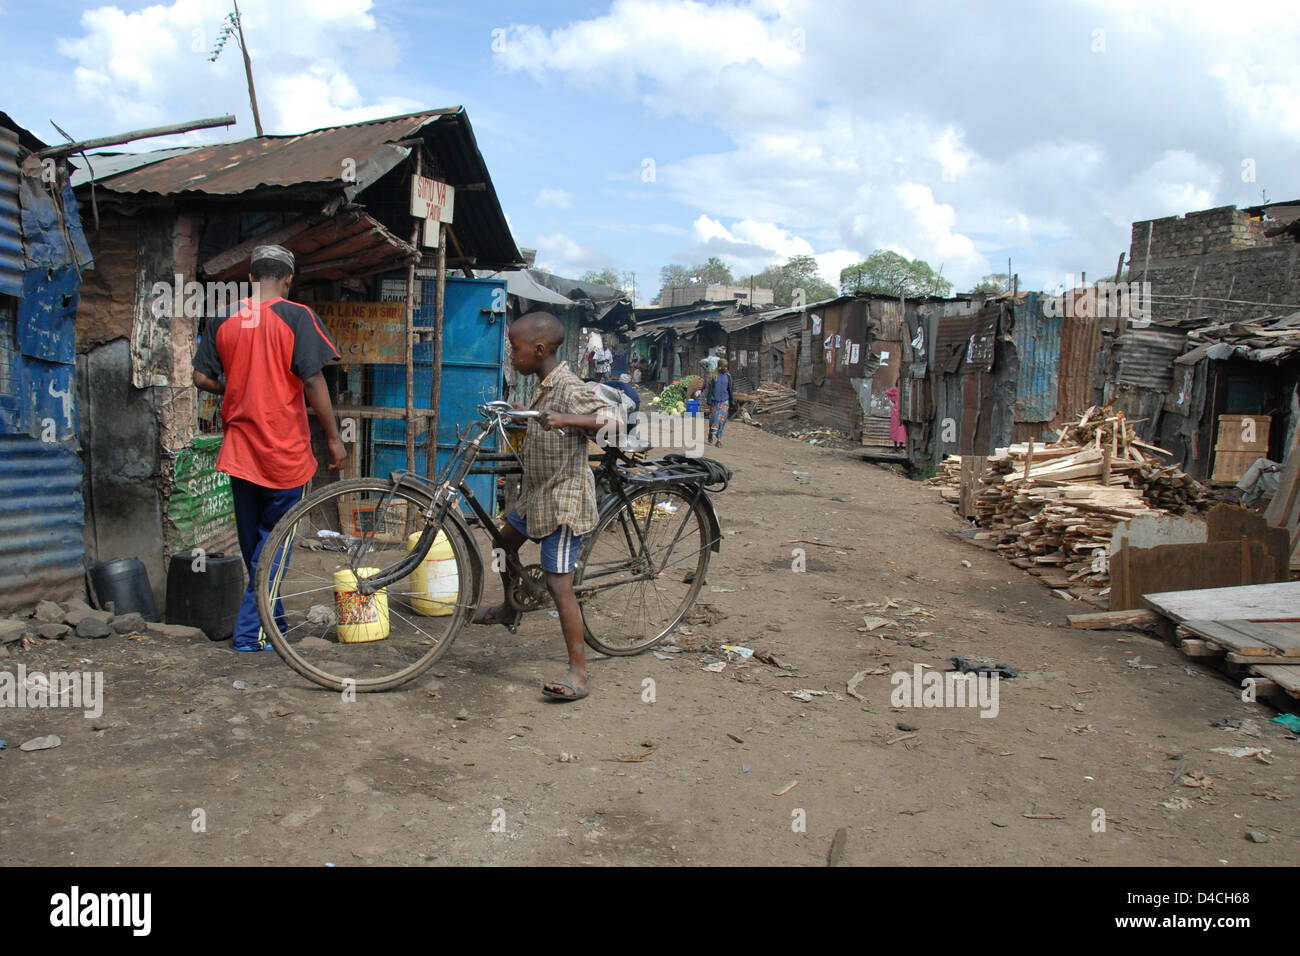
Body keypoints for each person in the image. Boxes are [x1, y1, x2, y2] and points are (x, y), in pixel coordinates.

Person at [192, 244, 346, 652]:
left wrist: (235, 384)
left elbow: (200, 377)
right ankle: (250, 635)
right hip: (284, 455)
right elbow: (314, 382)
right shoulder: (296, 316)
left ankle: (271, 621)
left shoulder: (222, 317)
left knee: (256, 547)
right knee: (273, 551)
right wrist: (333, 438)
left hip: (240, 454)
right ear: (288, 281)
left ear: (250, 278)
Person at [473, 311, 613, 701]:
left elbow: (611, 420)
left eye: (513, 348)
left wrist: (567, 418)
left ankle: (578, 674)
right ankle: (509, 607)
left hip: (564, 499)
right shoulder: (543, 384)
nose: (510, 354)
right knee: (503, 544)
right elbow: (543, 419)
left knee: (558, 584)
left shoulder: (567, 386)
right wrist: (523, 415)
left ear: (537, 350)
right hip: (538, 492)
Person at [708, 358, 732, 447]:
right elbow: (710, 389)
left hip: (725, 401)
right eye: (724, 366)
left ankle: (718, 440)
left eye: (726, 366)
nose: (725, 368)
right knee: (713, 420)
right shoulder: (714, 376)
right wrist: (708, 399)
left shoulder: (728, 376)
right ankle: (710, 433)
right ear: (720, 366)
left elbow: (730, 389)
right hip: (715, 401)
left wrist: (732, 400)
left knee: (722, 421)